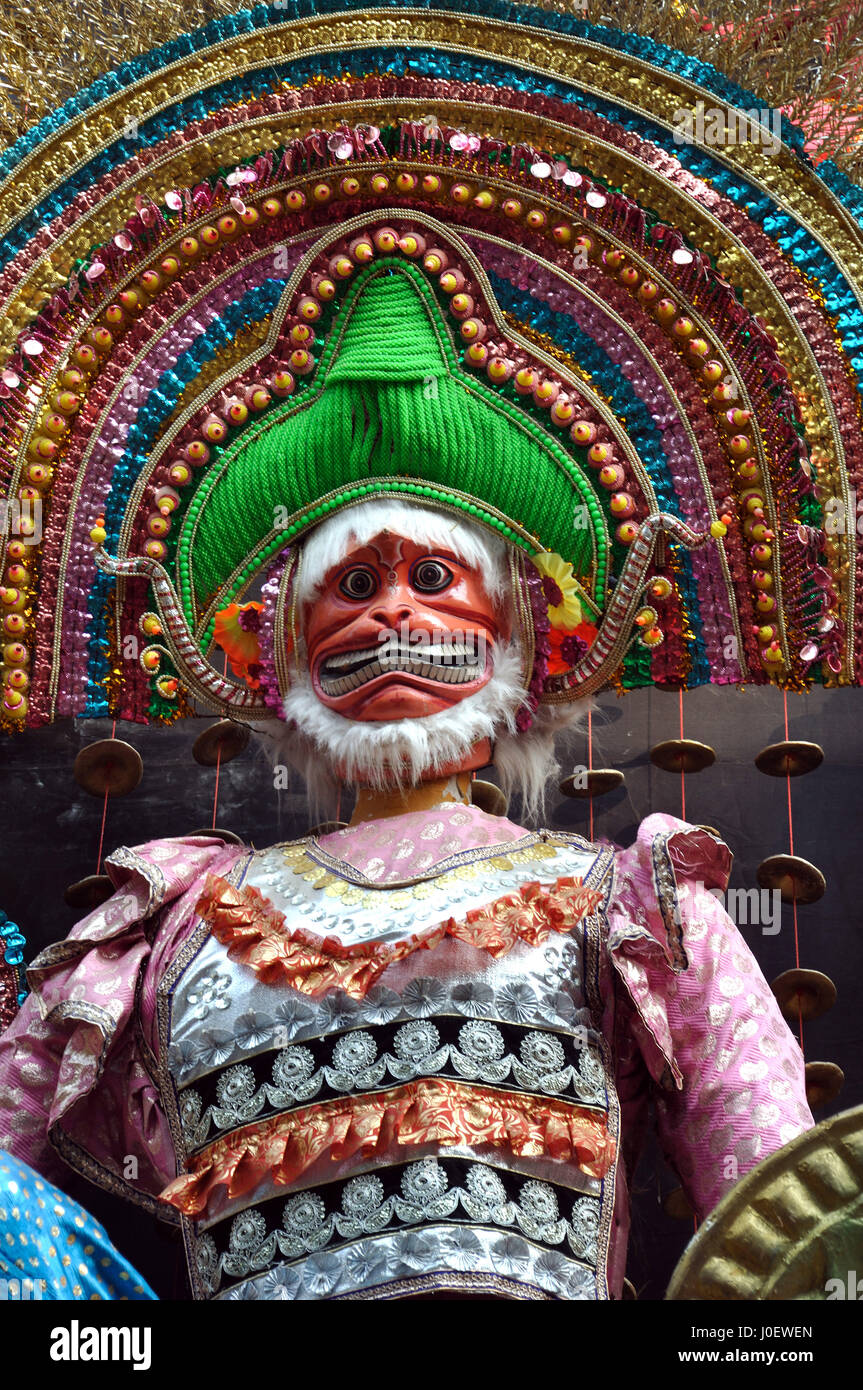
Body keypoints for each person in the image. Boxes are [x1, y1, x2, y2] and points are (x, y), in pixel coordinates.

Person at [0, 261, 813, 1301]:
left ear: (517, 633)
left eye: (431, 579)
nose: (389, 617)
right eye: (349, 585)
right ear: (282, 649)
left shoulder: (639, 910)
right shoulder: (171, 924)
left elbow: (777, 1227)